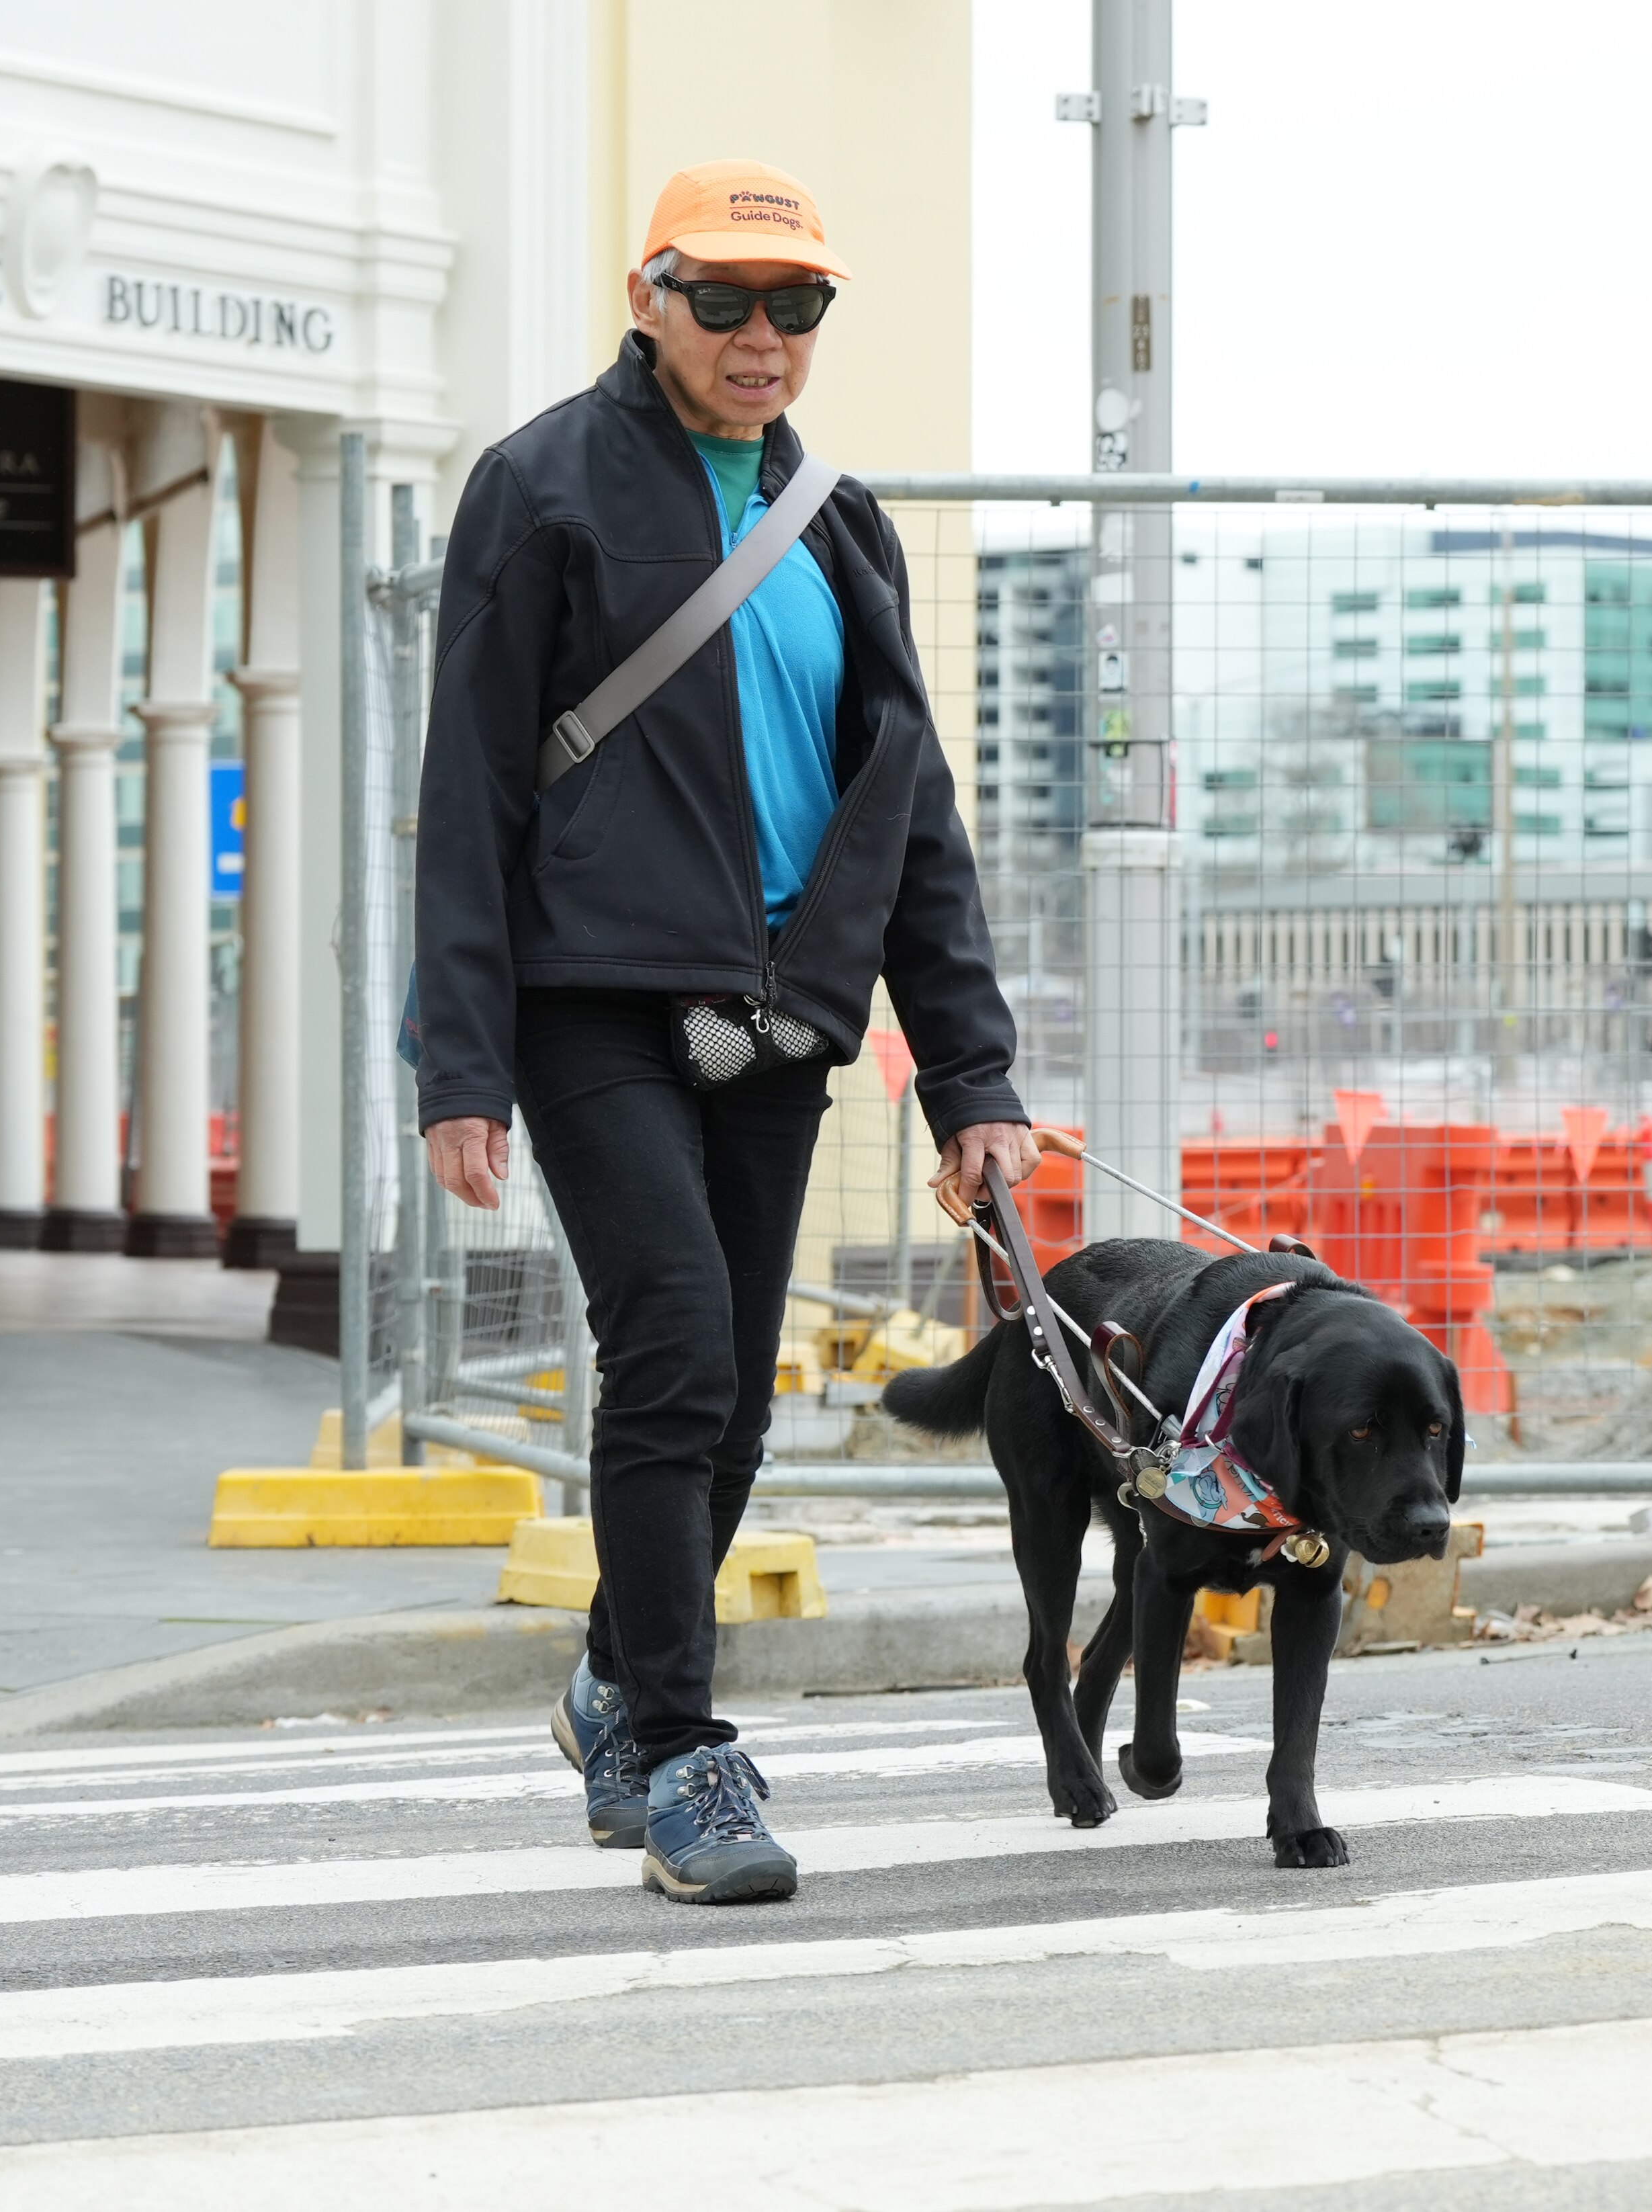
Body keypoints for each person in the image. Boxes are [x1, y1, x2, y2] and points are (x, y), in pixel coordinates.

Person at [412, 160, 1037, 1906]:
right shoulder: (539, 488)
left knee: (736, 1399)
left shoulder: (840, 521)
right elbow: (468, 787)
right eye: (727, 299)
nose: (764, 336)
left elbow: (910, 812)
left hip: (785, 1010)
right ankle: (683, 1754)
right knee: (675, 1341)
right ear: (649, 294)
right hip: (591, 995)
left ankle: (618, 1677)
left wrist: (969, 1077)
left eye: (799, 305)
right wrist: (457, 1057)